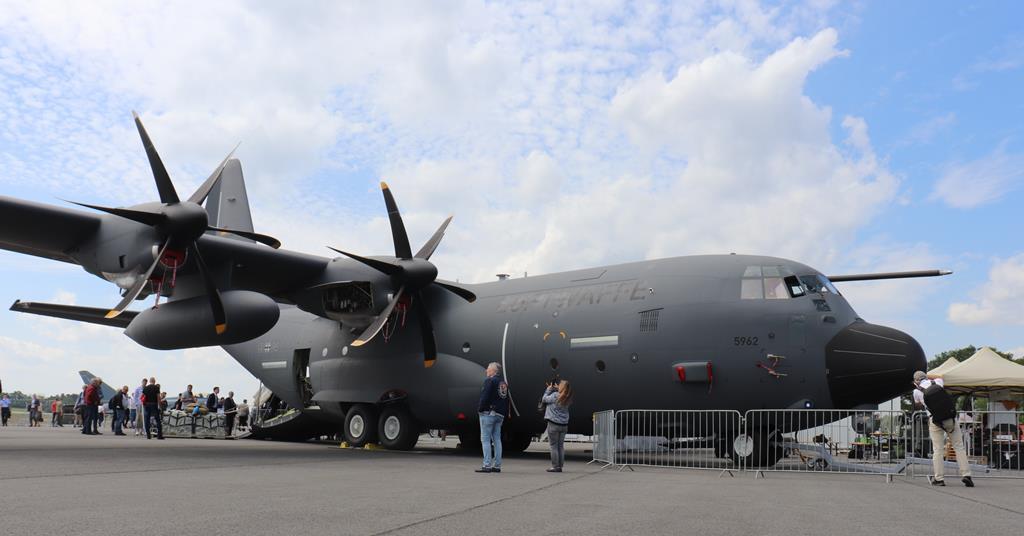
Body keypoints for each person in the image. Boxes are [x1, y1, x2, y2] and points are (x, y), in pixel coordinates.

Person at [913, 371, 973, 487]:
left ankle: (939, 478)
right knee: (959, 447)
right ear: (926, 377)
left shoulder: (916, 391)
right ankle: (966, 475)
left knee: (938, 450)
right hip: (950, 418)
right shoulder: (938, 382)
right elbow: (940, 377)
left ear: (916, 381)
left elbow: (918, 404)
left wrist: (918, 386)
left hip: (935, 420)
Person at [476, 362, 509, 473]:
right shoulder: (503, 383)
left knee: (485, 439)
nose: (486, 370)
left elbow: (484, 396)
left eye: (488, 369)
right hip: (500, 415)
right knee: (497, 440)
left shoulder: (490, 381)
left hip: (489, 413)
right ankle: (497, 465)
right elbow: (505, 399)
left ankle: (487, 465)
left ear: (494, 371)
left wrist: (480, 409)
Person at [541, 379, 573, 472]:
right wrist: (556, 388)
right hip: (564, 425)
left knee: (553, 446)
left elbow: (544, 399)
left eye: (559, 385)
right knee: (560, 446)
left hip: (553, 424)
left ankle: (555, 466)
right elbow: (561, 394)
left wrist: (548, 389)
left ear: (561, 387)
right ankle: (560, 466)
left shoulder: (555, 396)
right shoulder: (567, 398)